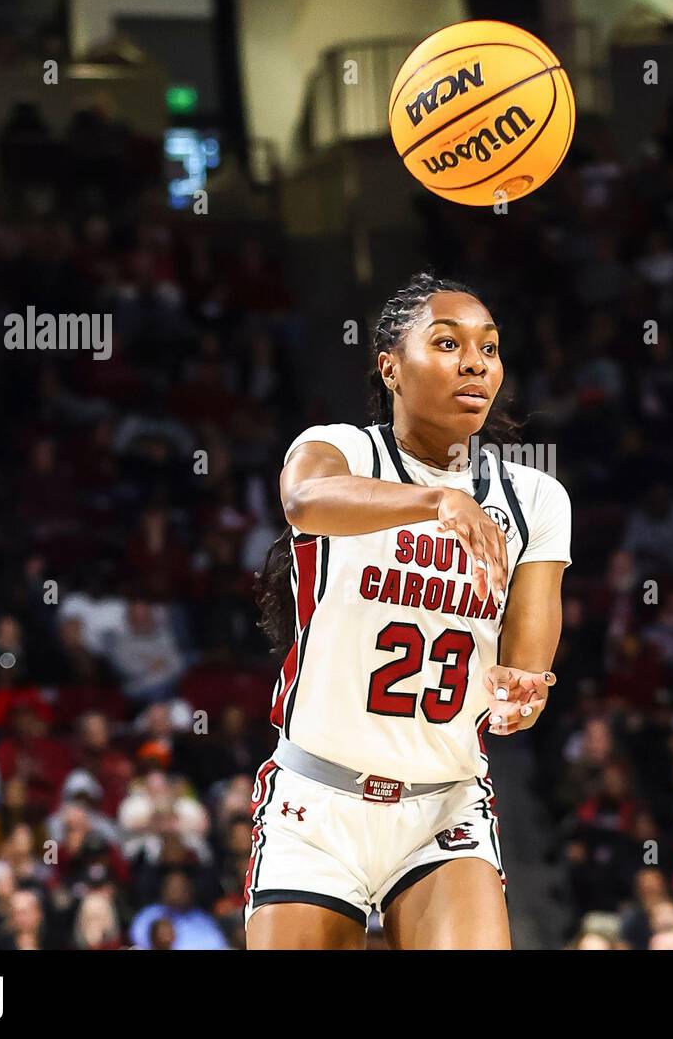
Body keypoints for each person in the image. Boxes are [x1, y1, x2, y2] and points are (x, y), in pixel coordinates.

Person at [243, 273, 572, 950]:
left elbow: (526, 661)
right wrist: (436, 501)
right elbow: (306, 500)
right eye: (448, 343)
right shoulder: (340, 449)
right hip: (317, 804)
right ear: (390, 367)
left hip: (443, 806)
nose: (475, 362)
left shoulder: (534, 498)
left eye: (489, 347)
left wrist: (523, 691)